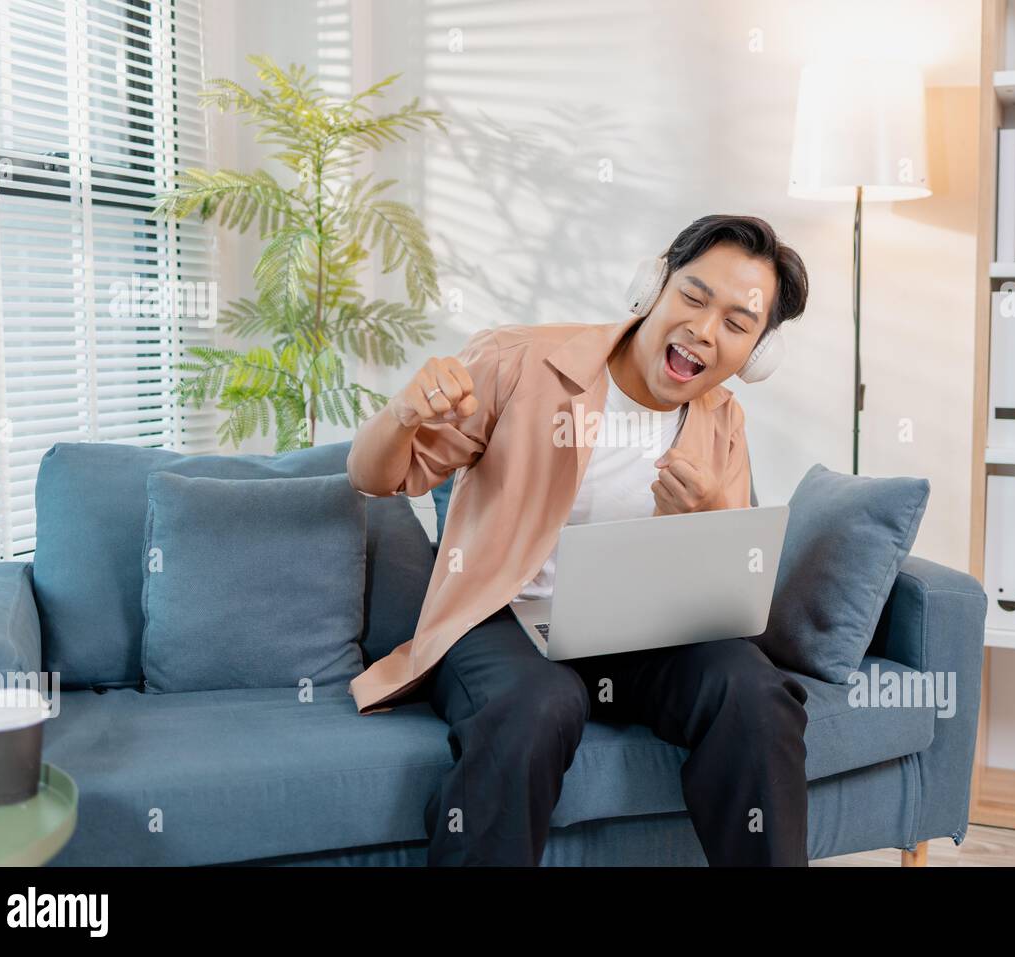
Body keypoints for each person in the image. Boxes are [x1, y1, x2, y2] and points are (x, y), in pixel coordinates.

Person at [346, 214, 810, 865]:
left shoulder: (723, 419)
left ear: (756, 355)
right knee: (540, 702)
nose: (704, 331)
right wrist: (403, 412)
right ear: (655, 282)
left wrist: (700, 519)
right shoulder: (520, 360)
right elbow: (372, 477)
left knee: (757, 694)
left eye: (736, 324)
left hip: (639, 632)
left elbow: (726, 597)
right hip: (502, 619)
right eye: (695, 296)